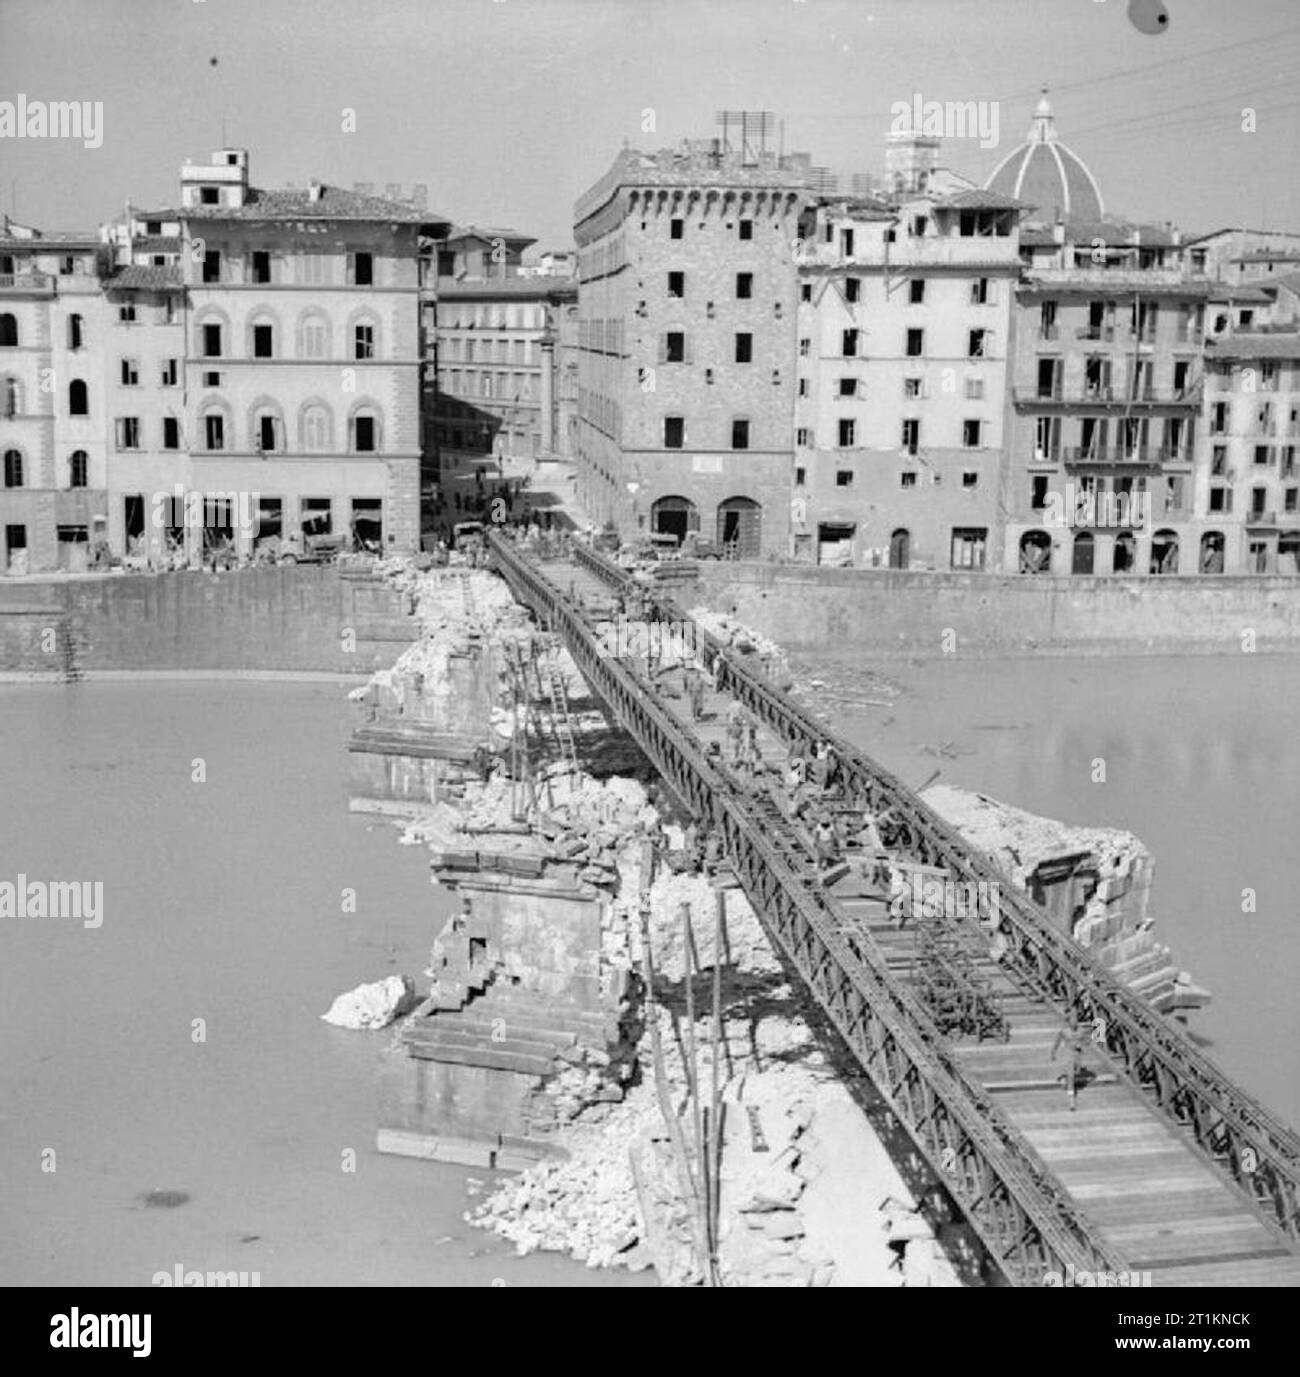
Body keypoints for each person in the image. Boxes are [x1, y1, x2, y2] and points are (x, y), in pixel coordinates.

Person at [1051, 1010, 1090, 1112]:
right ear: (1069, 1022)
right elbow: (1057, 1042)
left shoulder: (1081, 1031)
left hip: (1078, 1055)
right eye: (1072, 1021)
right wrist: (1053, 1053)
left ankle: (1065, 1081)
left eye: (1076, 1020)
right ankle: (1071, 1101)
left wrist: (1081, 1045)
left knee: (1076, 1073)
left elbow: (1087, 1041)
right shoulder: (1064, 1032)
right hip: (1068, 1055)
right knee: (1071, 1075)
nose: (1074, 1023)